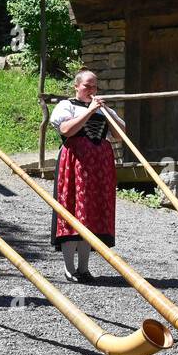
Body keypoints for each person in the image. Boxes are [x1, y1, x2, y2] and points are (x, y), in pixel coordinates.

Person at [50, 69, 124, 283]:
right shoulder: (67, 106)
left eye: (94, 87)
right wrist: (90, 111)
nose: (92, 90)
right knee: (72, 210)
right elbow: (66, 130)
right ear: (76, 86)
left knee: (91, 213)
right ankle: (69, 268)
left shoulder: (103, 110)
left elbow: (120, 135)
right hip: (75, 164)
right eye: (87, 86)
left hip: (99, 168)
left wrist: (107, 113)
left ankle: (84, 268)